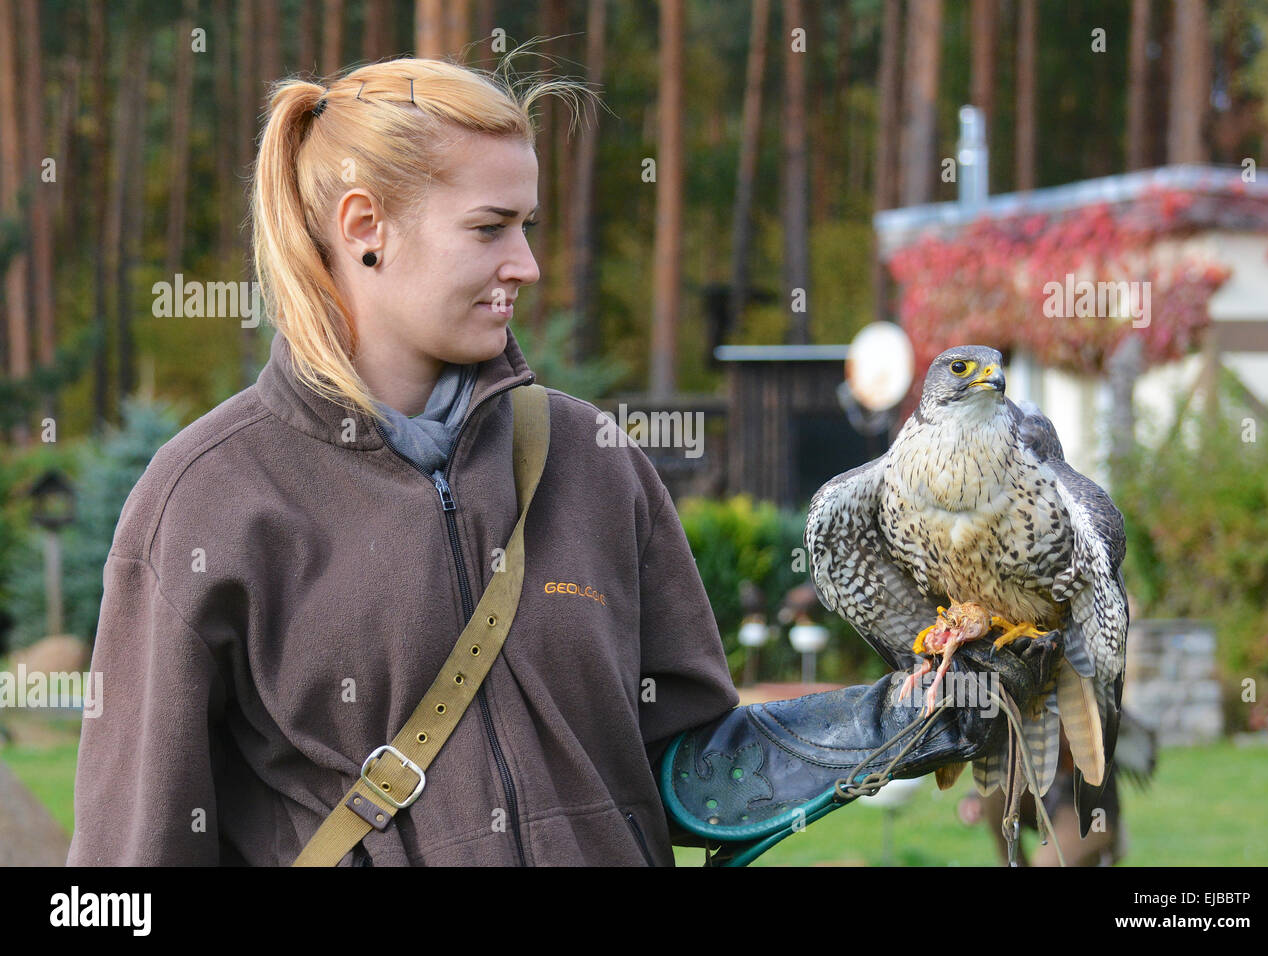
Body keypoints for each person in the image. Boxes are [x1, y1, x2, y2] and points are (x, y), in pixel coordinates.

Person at [66, 55, 1053, 867]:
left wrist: (894, 721)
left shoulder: (593, 459)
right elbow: (131, 863)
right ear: (366, 228)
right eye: (490, 229)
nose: (526, 266)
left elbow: (685, 764)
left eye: (528, 226)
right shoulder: (209, 503)